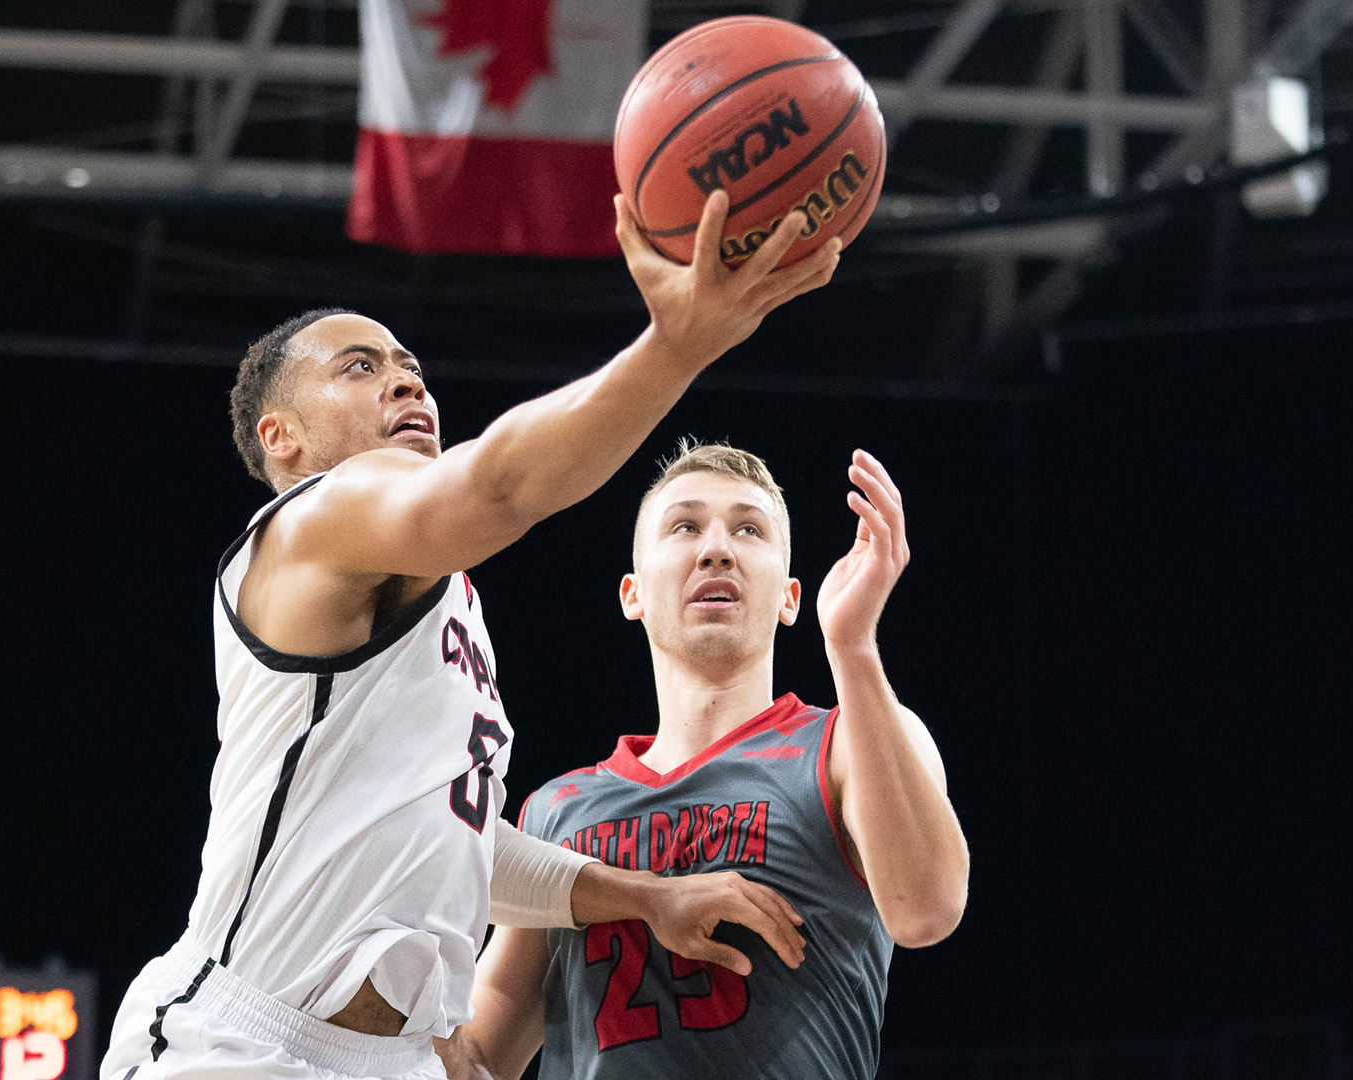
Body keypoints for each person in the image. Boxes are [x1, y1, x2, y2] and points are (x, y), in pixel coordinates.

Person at [99, 194, 842, 1080]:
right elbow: (499, 488)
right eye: (360, 367)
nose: (407, 381)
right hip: (238, 1045)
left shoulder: (442, 601)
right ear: (282, 440)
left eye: (410, 365)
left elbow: (461, 841)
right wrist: (675, 346)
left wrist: (642, 898)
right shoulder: (310, 525)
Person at [442, 442, 970, 1080]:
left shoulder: (848, 744)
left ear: (790, 597)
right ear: (632, 594)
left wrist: (852, 644)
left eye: (748, 529)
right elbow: (481, 1052)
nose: (716, 548)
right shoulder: (556, 809)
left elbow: (926, 910)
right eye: (685, 526)